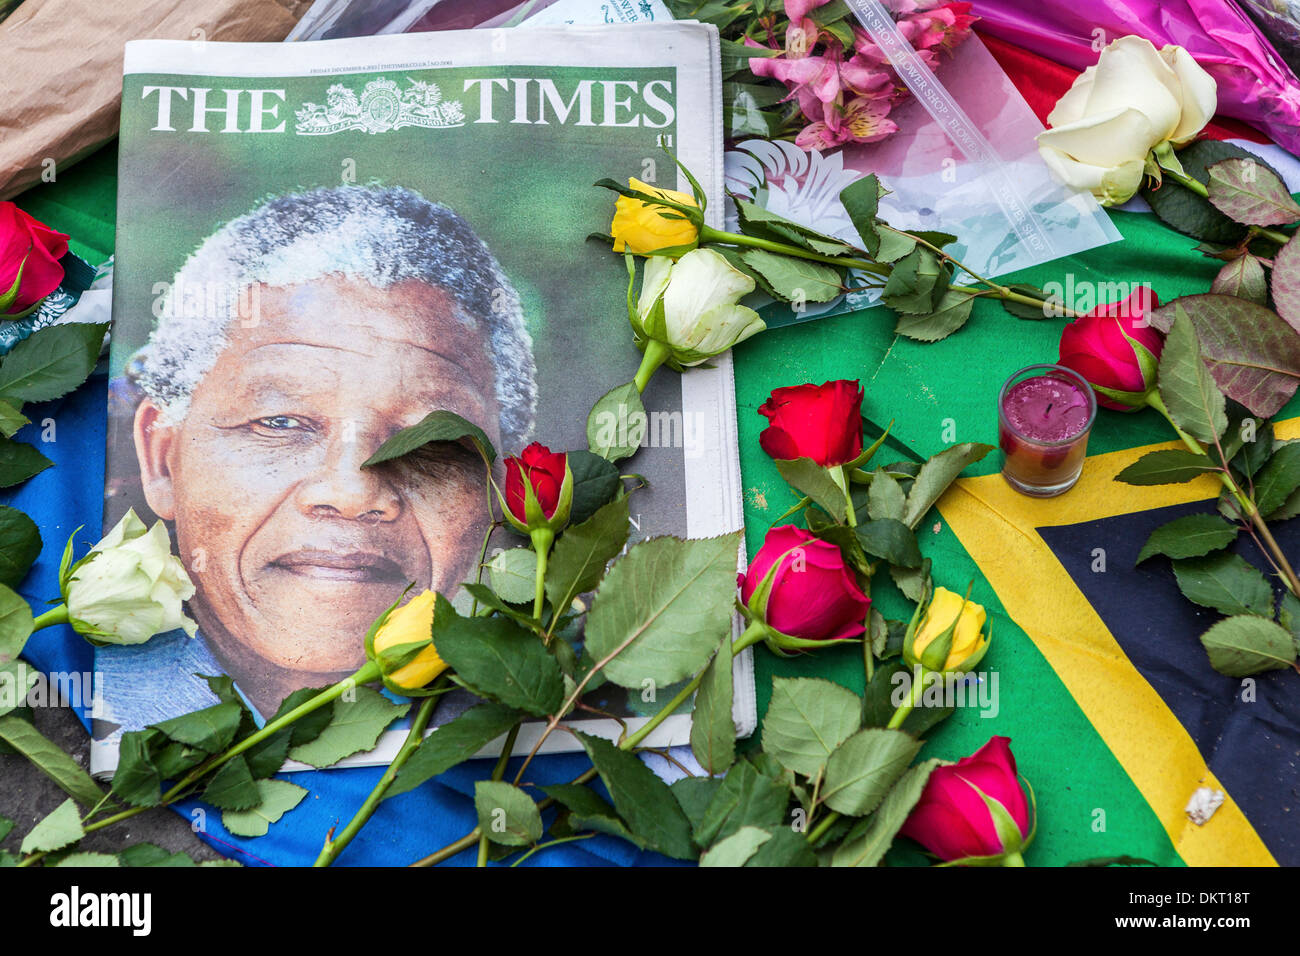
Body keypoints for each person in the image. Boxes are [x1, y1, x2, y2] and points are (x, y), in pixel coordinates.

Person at [97, 185, 536, 728]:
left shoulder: (556, 720)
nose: (352, 493)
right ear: (162, 458)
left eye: (433, 440)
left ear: (506, 489)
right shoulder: (81, 697)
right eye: (279, 423)